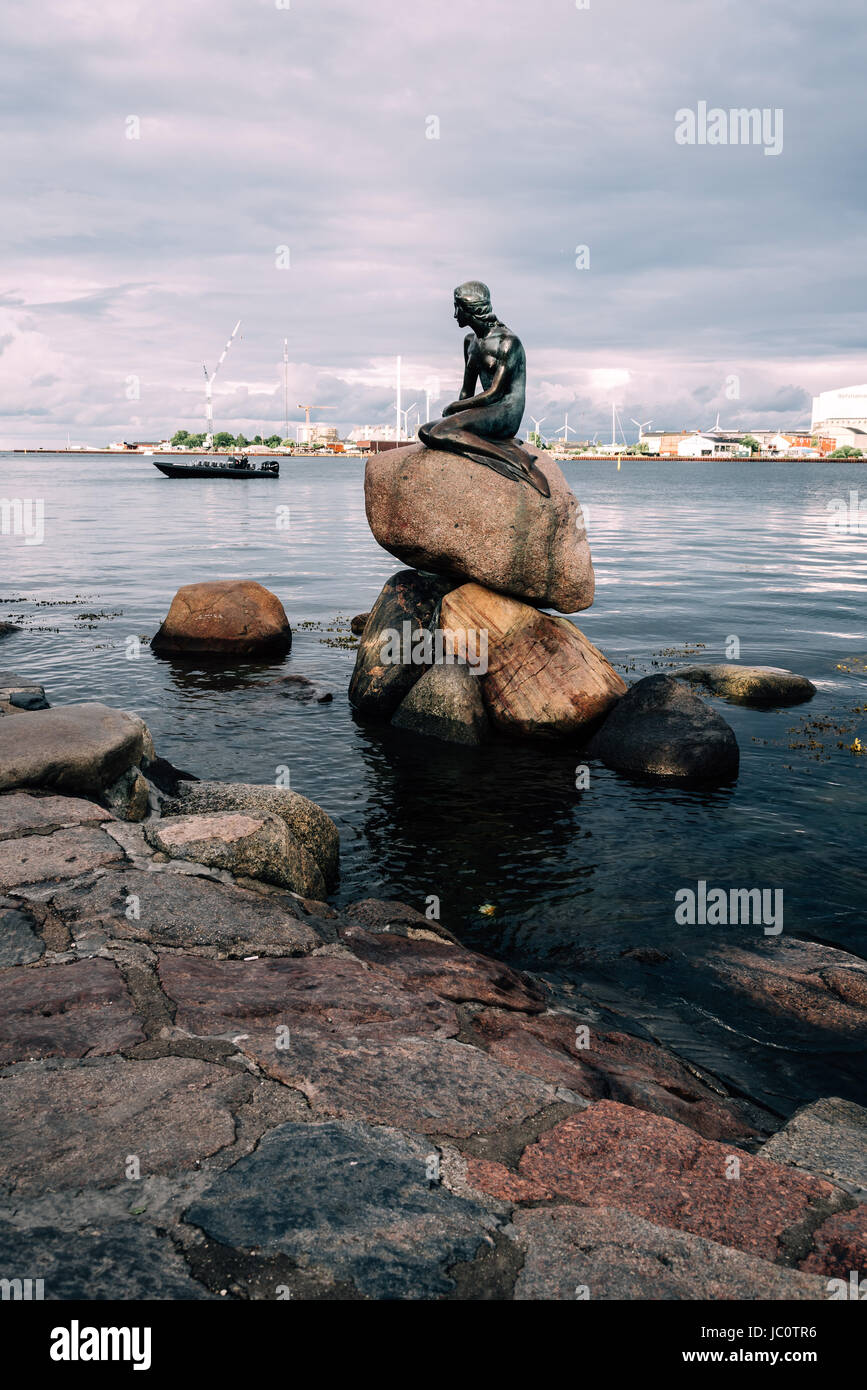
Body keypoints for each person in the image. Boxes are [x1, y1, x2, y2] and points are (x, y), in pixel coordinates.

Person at [418, 281, 550, 497]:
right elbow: (467, 390)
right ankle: (490, 447)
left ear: (470, 309)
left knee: (442, 431)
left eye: (457, 307)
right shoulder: (470, 341)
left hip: (505, 412)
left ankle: (513, 458)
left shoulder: (507, 342)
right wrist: (458, 410)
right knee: (425, 432)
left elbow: (495, 393)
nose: (454, 315)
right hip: (483, 409)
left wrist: (455, 407)